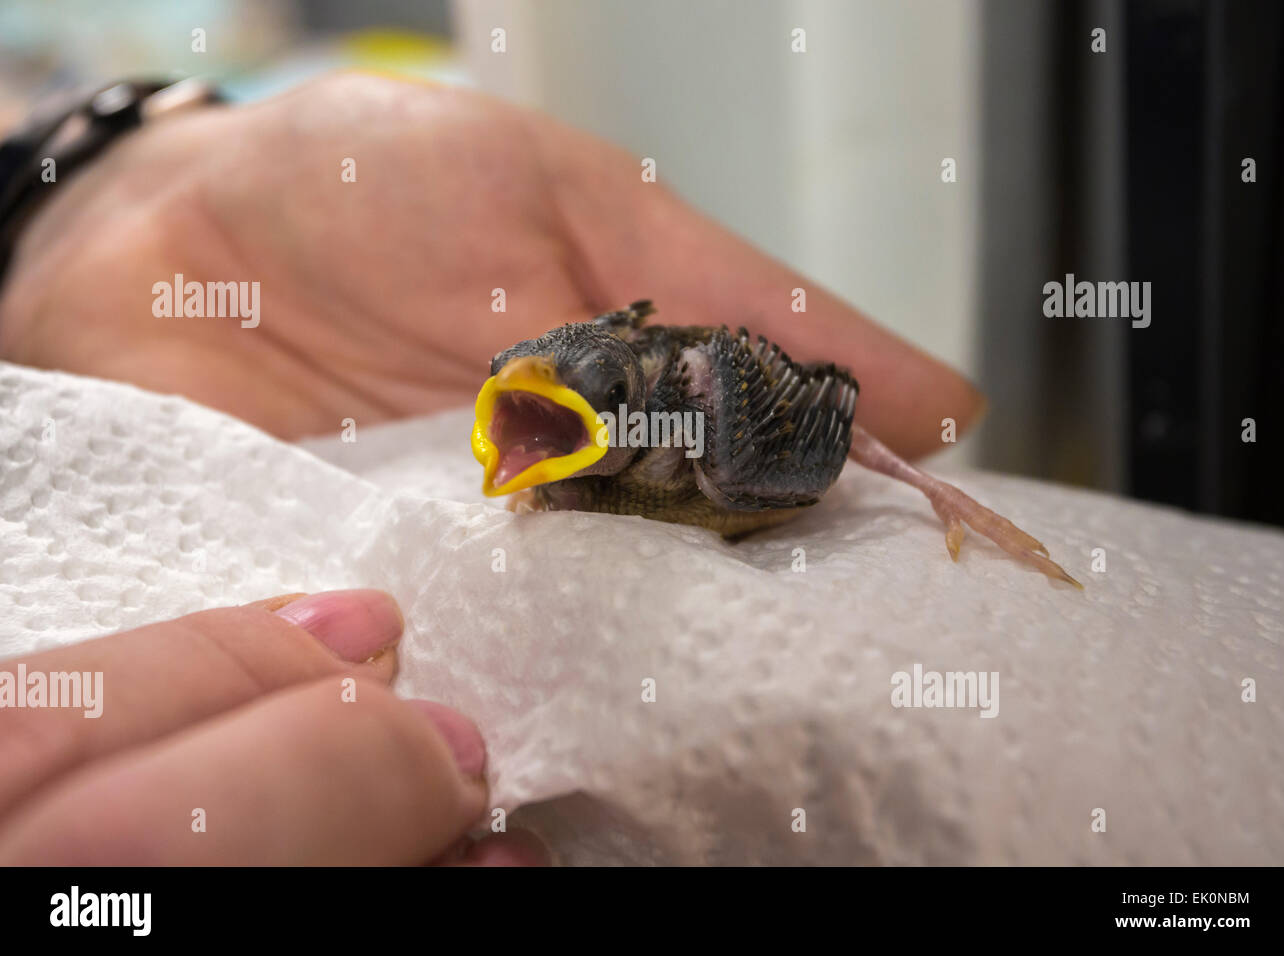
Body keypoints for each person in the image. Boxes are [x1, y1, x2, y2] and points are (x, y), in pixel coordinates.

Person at [0, 73, 984, 865]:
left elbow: (854, 421)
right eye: (503, 387)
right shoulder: (563, 453)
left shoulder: (710, 430)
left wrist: (87, 199)